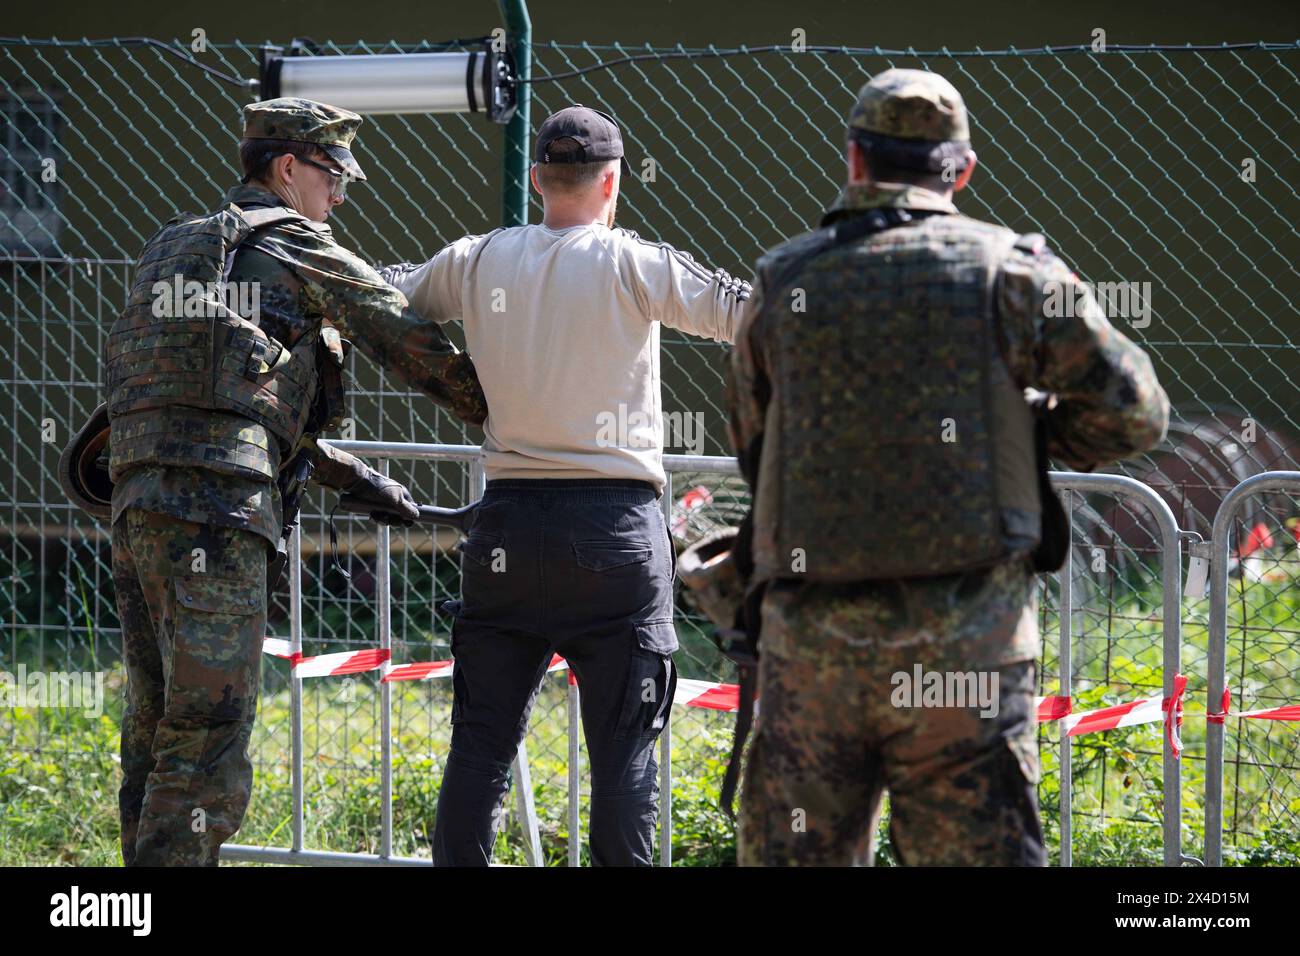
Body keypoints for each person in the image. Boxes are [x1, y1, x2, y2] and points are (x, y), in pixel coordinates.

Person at [723, 69, 1170, 866]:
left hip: (812, 654)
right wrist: (1026, 438)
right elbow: (1136, 411)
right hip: (967, 655)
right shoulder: (1015, 275)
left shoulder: (782, 280)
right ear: (961, 171)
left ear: (854, 160)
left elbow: (756, 449)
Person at [104, 97, 488, 866]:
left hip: (136, 506)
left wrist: (356, 477)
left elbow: (218, 402)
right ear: (287, 169)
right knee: (207, 735)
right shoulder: (301, 245)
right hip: (221, 517)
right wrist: (509, 407)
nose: (340, 196)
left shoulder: (170, 246)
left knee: (154, 725)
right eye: (333, 175)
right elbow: (407, 339)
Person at [383, 104, 751, 865]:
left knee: (480, 748)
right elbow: (743, 311)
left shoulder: (476, 259)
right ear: (612, 182)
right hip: (614, 531)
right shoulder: (633, 263)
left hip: (507, 528)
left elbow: (389, 300)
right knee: (624, 757)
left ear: (534, 179)